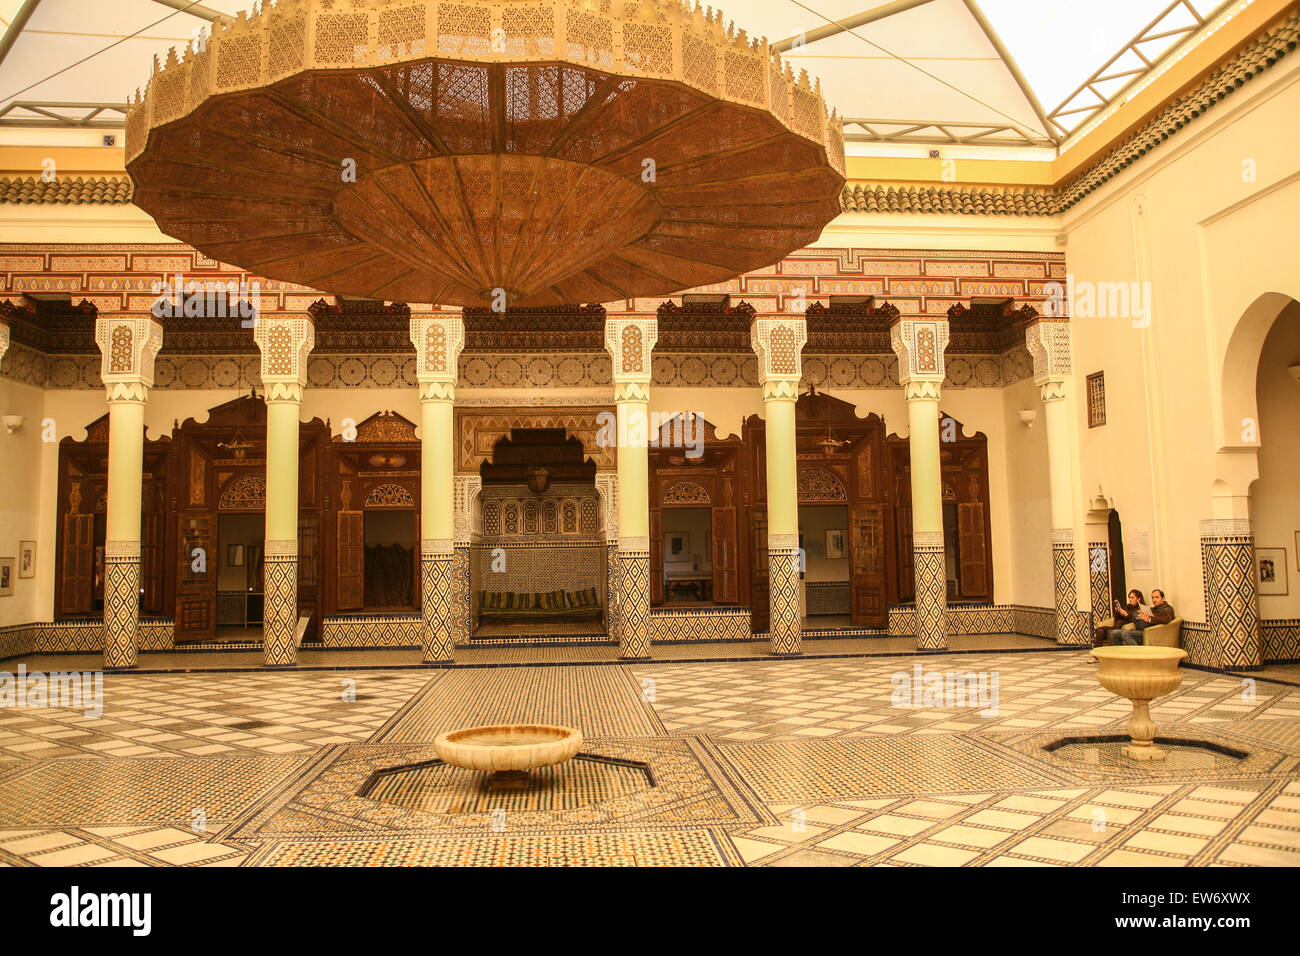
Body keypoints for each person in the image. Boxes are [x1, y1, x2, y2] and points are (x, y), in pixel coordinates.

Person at [1107, 588, 1175, 646]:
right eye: (1152, 597)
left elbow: (1165, 619)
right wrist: (1141, 613)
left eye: (1157, 597)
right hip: (1142, 630)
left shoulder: (1168, 609)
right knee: (1114, 633)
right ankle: (1121, 656)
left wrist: (1149, 619)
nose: (1154, 600)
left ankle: (1138, 657)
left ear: (1163, 598)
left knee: (1125, 633)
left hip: (1151, 633)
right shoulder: (1153, 609)